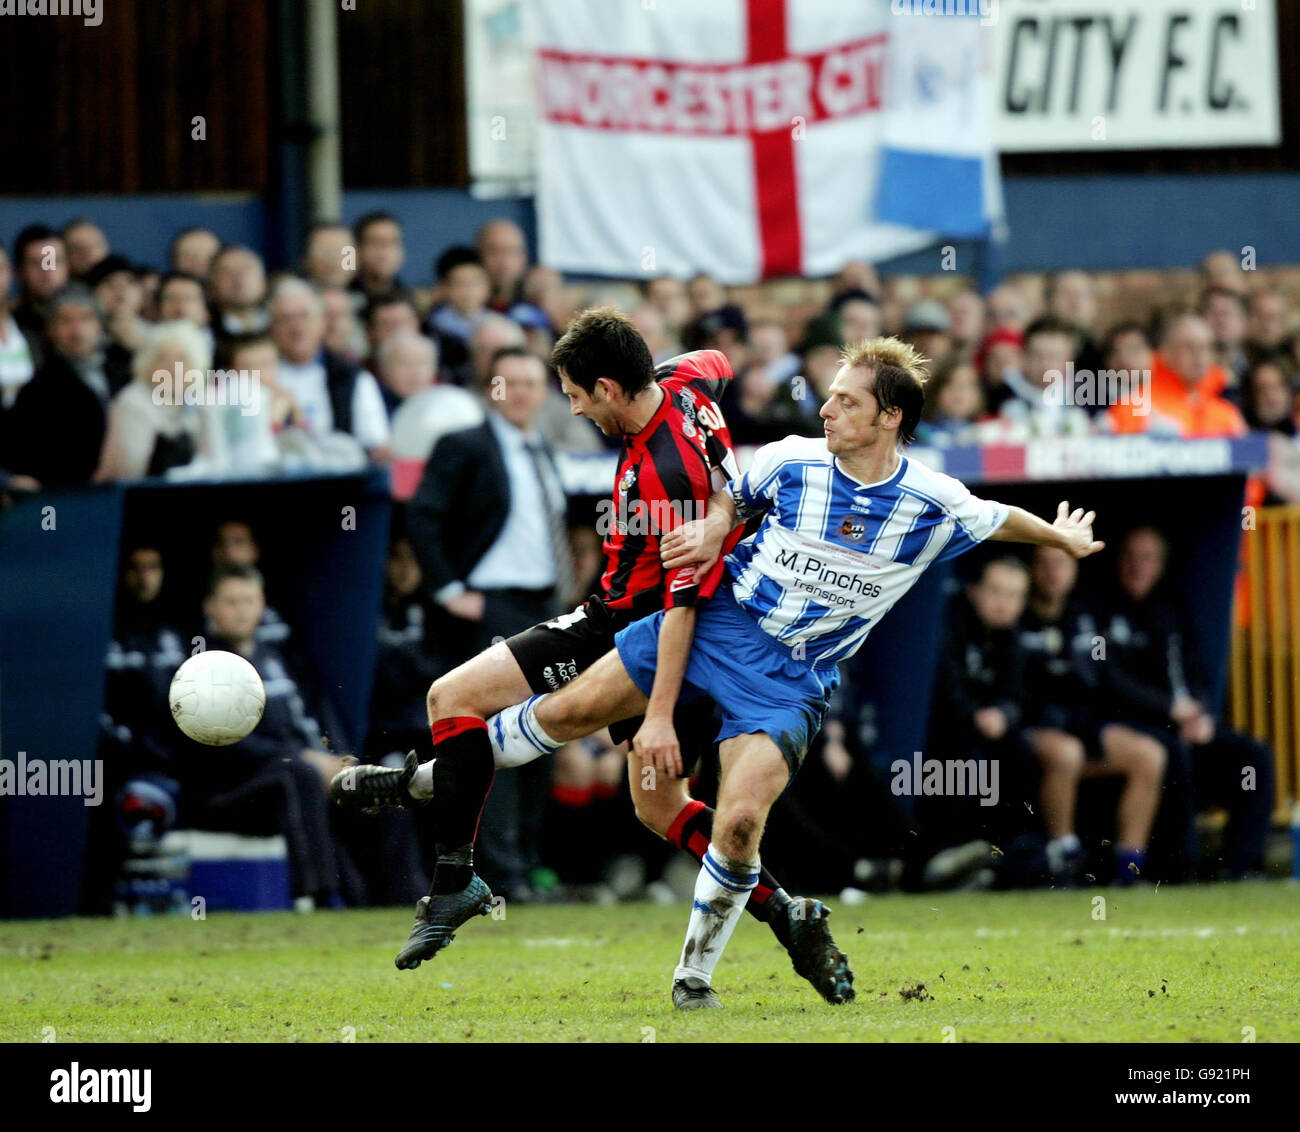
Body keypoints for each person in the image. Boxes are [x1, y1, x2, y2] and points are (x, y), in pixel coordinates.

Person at [488, 336, 1103, 1009]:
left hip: (789, 679)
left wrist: (1057, 534)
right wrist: (711, 529)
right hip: (715, 625)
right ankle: (427, 778)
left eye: (847, 401)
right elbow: (731, 499)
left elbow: (997, 519)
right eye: (830, 395)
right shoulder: (790, 461)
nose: (828, 409)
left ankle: (693, 981)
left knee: (742, 821)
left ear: (889, 417)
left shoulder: (933, 500)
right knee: (570, 718)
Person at [332, 308, 852, 1004]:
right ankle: (785, 915)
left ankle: (448, 861)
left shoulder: (669, 476)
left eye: (576, 394)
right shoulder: (688, 386)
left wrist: (659, 712)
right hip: (662, 627)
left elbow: (678, 605)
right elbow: (718, 362)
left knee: (452, 700)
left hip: (629, 631)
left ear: (608, 388)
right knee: (659, 805)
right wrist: (671, 371)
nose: (572, 408)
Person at [1096, 528, 1274, 881]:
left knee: (1254, 757)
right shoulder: (1103, 611)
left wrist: (1203, 715)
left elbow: (1197, 675)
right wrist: (1168, 710)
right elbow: (1110, 681)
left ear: (1161, 565)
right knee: (1172, 753)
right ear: (1119, 562)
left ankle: (1243, 866)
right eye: (1131, 557)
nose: (1138, 566)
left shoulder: (1172, 609)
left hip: (1190, 726)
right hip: (1142, 727)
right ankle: (1180, 867)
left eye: (1148, 558)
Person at [1019, 546, 1168, 885]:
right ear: (1031, 570)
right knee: (1067, 753)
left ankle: (1128, 869)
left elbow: (1103, 679)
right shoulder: (1018, 614)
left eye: (1061, 564)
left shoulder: (1085, 616)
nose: (1052, 572)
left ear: (1074, 570)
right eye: (1043, 564)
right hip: (1033, 729)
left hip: (1082, 724)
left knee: (1150, 755)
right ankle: (1063, 859)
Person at [2, 283, 116, 486]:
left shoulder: (122, 373)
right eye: (66, 321)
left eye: (86, 318)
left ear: (100, 325)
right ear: (49, 329)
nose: (77, 330)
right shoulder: (36, 393)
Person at [268, 278, 392, 459]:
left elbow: (377, 446)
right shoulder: (255, 377)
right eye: (285, 319)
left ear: (321, 322)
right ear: (272, 327)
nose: (296, 327)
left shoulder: (353, 378)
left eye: (304, 316)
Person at [96, 319, 212, 480]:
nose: (173, 367)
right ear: (147, 364)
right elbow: (134, 469)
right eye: (162, 358)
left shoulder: (202, 397)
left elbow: (215, 457)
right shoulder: (132, 401)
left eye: (183, 358)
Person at [351, 211, 406, 300]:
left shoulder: (411, 303)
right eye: (375, 242)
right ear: (358, 248)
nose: (385, 251)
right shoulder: (343, 300)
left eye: (393, 242)